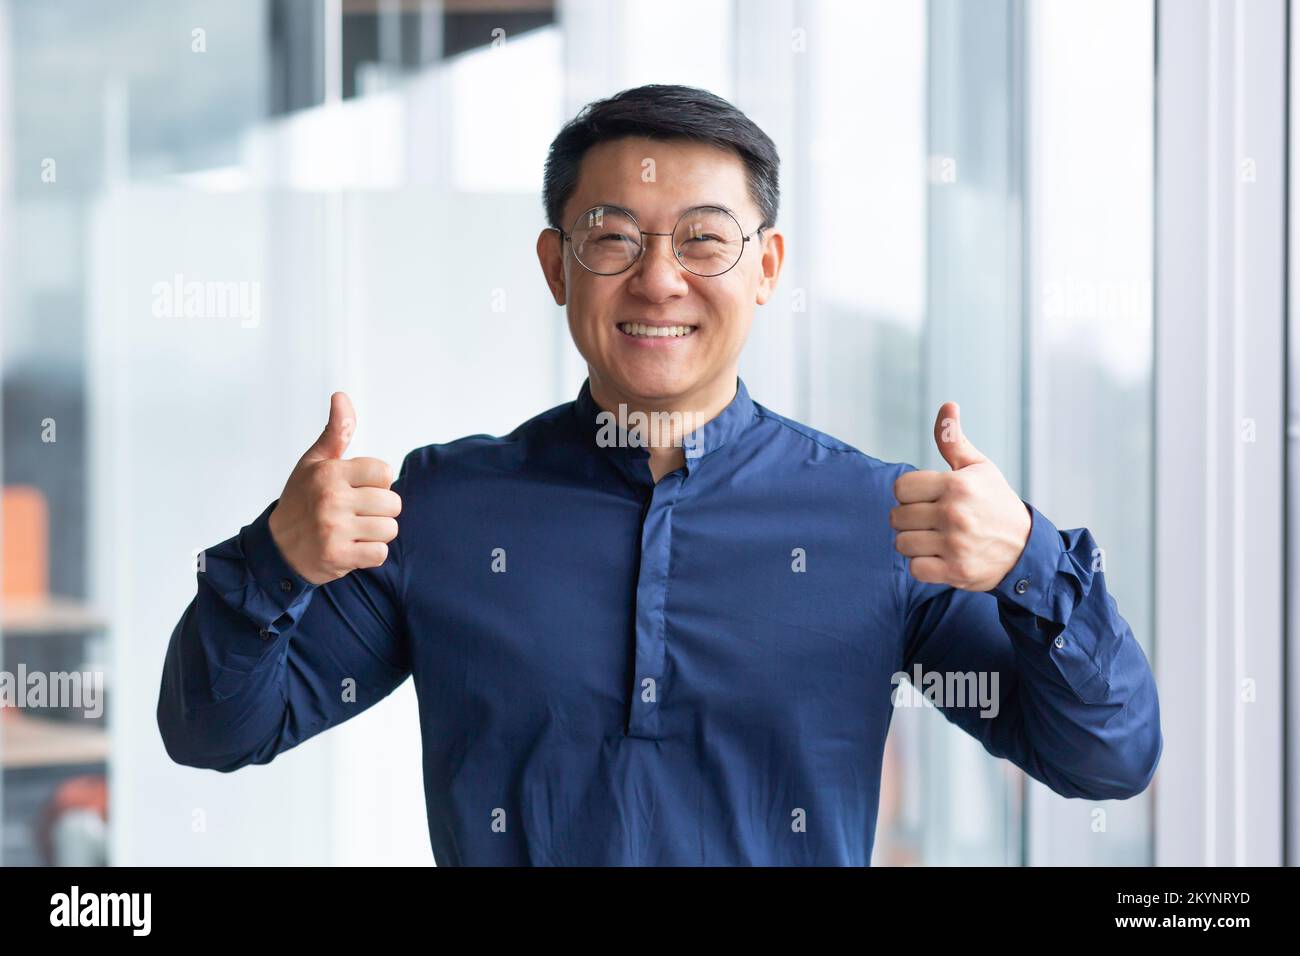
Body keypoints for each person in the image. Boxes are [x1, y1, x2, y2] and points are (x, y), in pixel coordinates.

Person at [156, 83, 1162, 866]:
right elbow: (214, 732)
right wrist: (274, 560)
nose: (658, 277)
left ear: (766, 269)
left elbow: (1104, 756)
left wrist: (1032, 560)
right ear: (556, 267)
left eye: (703, 239)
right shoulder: (445, 508)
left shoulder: (876, 520)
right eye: (613, 237)